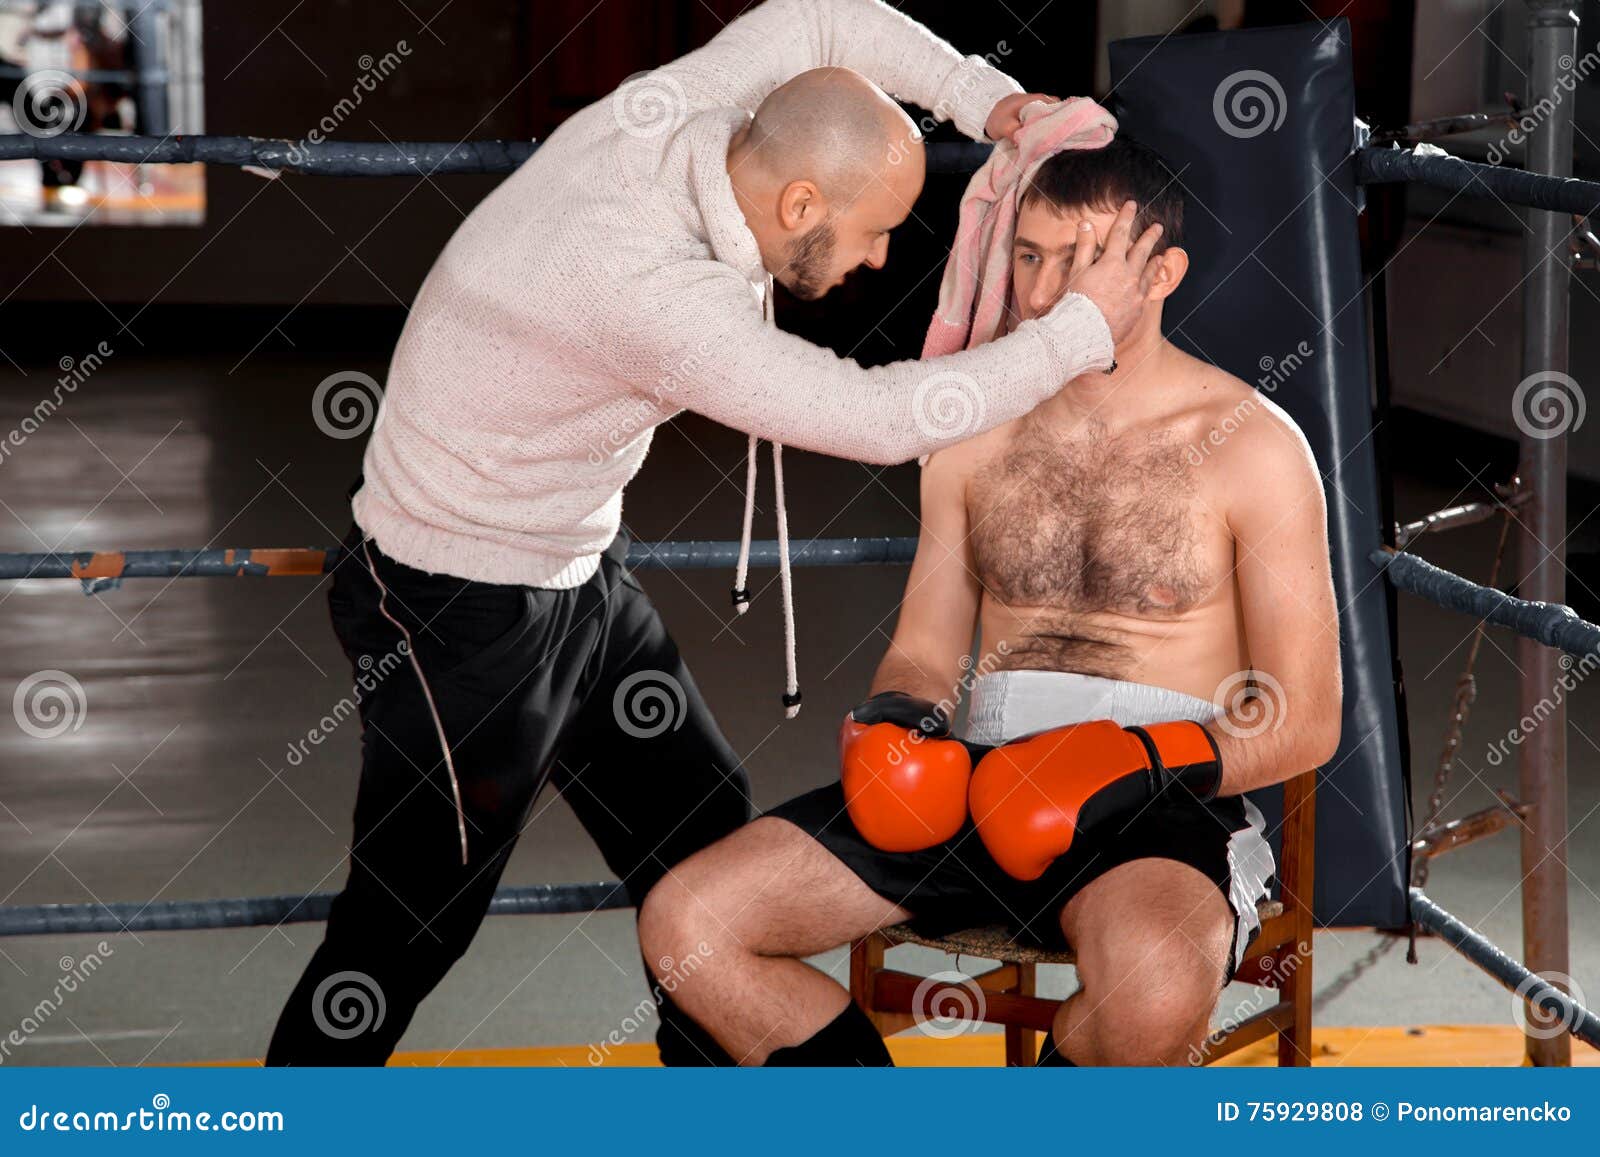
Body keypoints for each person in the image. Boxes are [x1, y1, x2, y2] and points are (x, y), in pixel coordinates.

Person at [267, 0, 1161, 1066]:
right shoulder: (648, 288)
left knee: (702, 852)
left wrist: (988, 99)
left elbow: (823, 16)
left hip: (575, 569)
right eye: (874, 230)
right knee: (407, 924)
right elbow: (878, 420)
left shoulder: (697, 109)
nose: (880, 260)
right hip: (448, 598)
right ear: (796, 201)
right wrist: (1076, 329)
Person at [638, 138, 1343, 1067]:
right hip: (981, 780)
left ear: (1162, 270)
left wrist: (1131, 759)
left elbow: (1308, 716)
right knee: (689, 921)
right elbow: (927, 651)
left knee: (1156, 985)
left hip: (1164, 799)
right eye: (1029, 257)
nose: (1046, 296)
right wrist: (894, 720)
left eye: (1083, 260)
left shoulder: (1252, 445)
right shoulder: (974, 427)